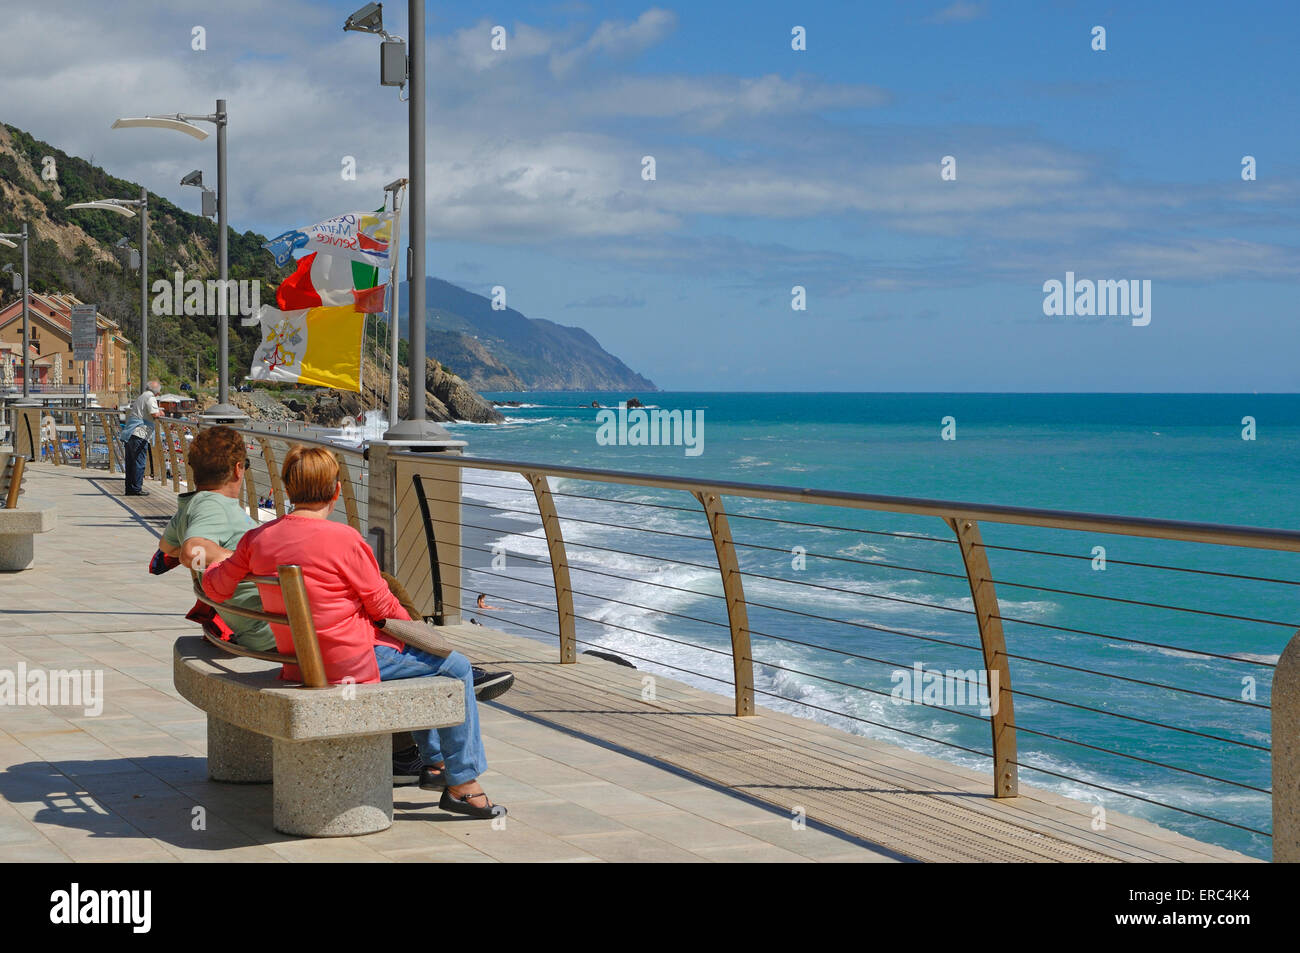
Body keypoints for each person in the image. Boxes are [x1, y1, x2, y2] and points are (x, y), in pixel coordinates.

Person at [203, 445, 507, 818]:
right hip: (348, 664)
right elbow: (382, 607)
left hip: (298, 662)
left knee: (422, 664)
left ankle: (437, 766)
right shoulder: (345, 539)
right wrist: (418, 633)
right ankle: (462, 785)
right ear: (335, 492)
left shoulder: (258, 539)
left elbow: (216, 587)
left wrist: (213, 561)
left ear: (287, 487)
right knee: (455, 666)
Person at [156, 426, 275, 652]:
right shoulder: (213, 505)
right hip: (268, 631)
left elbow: (167, 547)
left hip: (251, 625)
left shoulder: (191, 505)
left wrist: (216, 562)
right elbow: (191, 552)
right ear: (238, 469)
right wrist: (244, 561)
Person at [122, 379, 163, 496]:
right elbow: (154, 414)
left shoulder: (141, 397)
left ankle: (129, 488)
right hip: (140, 432)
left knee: (130, 462)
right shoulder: (151, 398)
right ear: (157, 393)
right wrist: (160, 413)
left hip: (130, 432)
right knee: (139, 462)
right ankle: (136, 489)